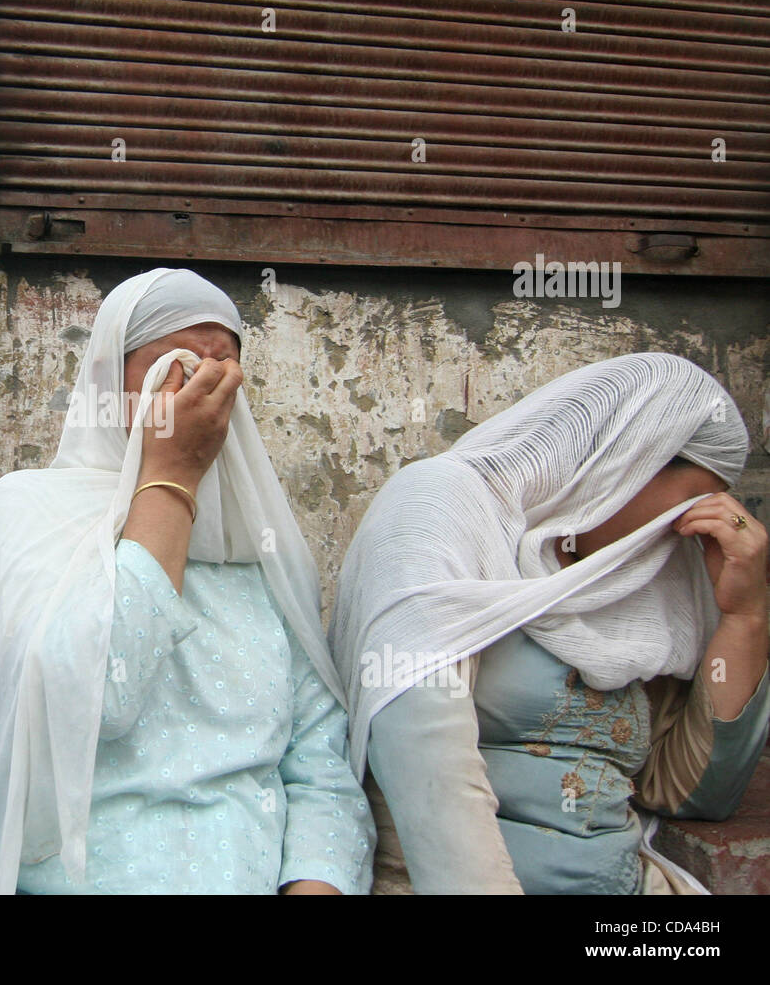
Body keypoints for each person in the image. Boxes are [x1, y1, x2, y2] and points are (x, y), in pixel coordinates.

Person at [0, 267, 374, 894]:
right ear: (106, 378)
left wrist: (315, 886)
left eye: (222, 368)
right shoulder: (34, 512)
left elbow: (318, 763)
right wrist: (171, 476)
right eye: (173, 365)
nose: (201, 386)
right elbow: (102, 700)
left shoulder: (257, 552)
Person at [330, 352, 770, 894]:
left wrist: (745, 616)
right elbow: (426, 766)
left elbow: (691, 793)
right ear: (627, 456)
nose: (686, 529)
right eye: (693, 501)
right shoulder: (441, 507)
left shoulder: (648, 586)